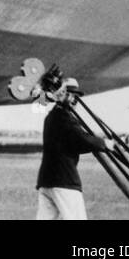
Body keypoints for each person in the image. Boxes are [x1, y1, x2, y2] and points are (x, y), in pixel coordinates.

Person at [36, 78, 107, 220]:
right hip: (64, 181)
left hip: (46, 182)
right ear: (62, 95)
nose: (75, 100)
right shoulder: (65, 118)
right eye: (72, 95)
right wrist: (105, 144)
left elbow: (75, 138)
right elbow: (81, 140)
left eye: (76, 96)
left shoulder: (51, 117)